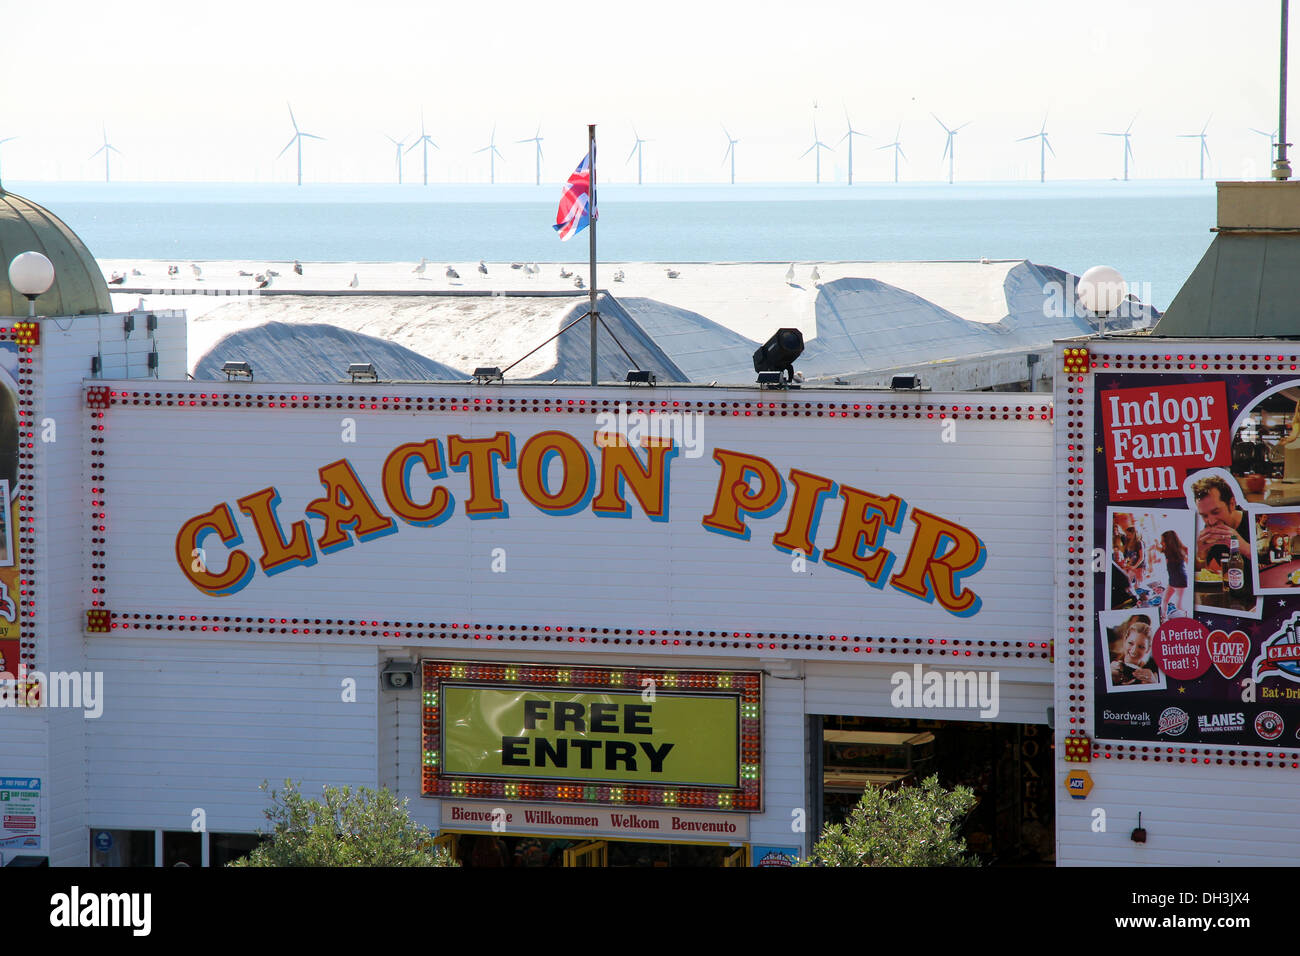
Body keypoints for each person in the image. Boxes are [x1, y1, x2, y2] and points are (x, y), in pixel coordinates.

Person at [1111, 616, 1158, 686]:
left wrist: (1154, 685)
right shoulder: (1109, 658)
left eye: (1141, 647)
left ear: (1148, 649)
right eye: (1130, 643)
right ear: (1125, 641)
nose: (1134, 650)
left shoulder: (1153, 673)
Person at [1157, 529, 1189, 617]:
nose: (1161, 542)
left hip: (1179, 579)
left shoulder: (1175, 551)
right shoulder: (1170, 550)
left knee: (1178, 604)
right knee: (1164, 599)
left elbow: (1188, 560)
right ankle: (1163, 617)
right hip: (1172, 579)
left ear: (1168, 541)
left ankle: (1189, 615)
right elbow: (1160, 549)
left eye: (1162, 540)